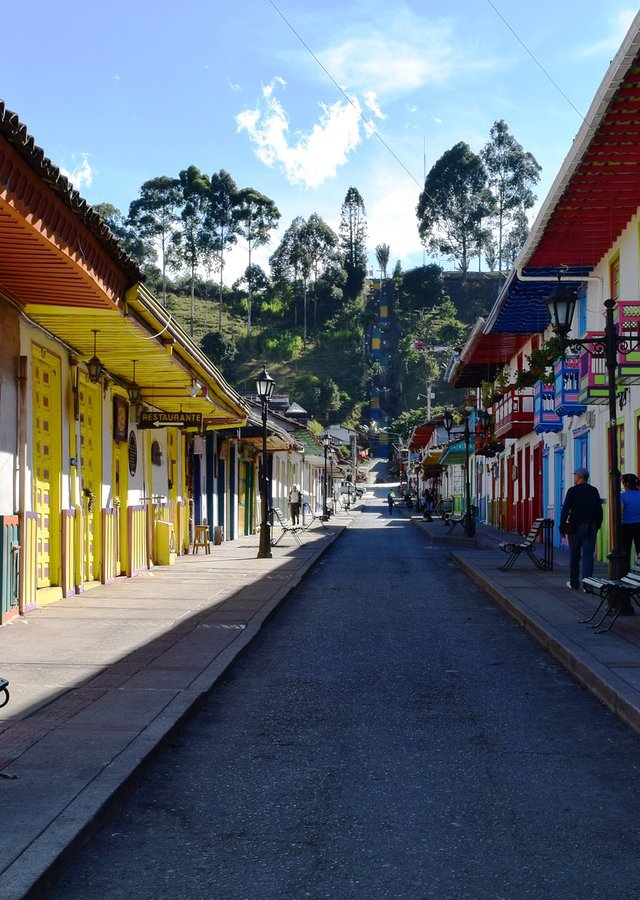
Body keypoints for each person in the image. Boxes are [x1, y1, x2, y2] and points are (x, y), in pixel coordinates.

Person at [559, 467, 603, 591]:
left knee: (574, 556)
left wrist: (562, 528)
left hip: (575, 527)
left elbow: (565, 509)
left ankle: (574, 583)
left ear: (579, 477)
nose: (574, 478)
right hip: (590, 527)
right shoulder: (594, 491)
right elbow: (599, 511)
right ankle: (588, 586)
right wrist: (597, 525)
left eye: (575, 476)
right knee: (588, 556)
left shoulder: (572, 491)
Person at [621, 473, 640, 568]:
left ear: (625, 483)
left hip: (626, 525)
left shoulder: (622, 496)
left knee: (626, 551)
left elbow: (621, 511)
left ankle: (625, 572)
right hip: (639, 525)